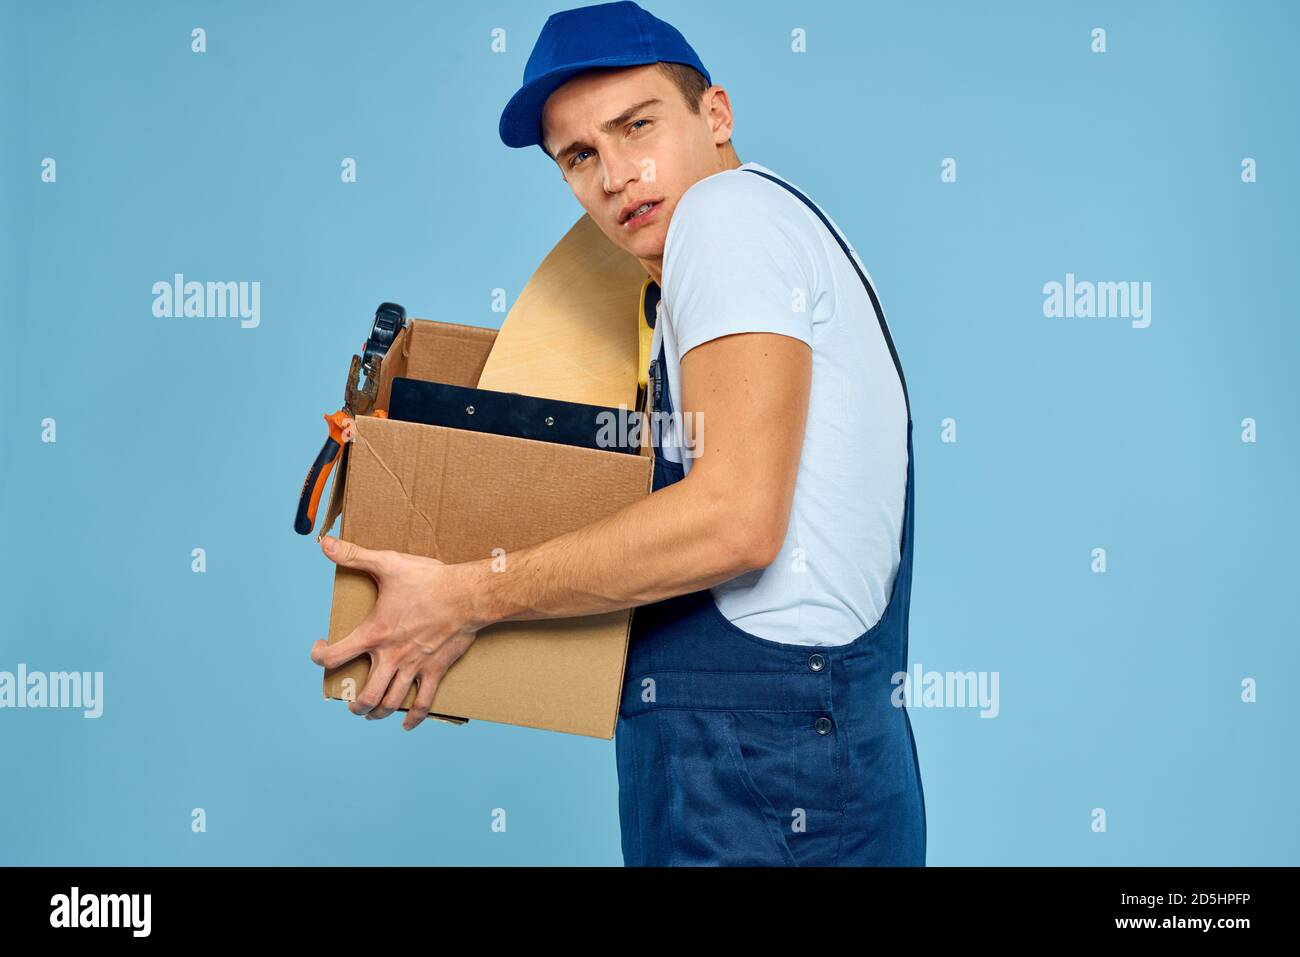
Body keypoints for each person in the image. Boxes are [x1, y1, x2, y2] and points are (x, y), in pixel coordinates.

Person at [310, 0, 925, 866]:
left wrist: (465, 597)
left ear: (716, 113)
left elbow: (734, 522)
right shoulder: (752, 246)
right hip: (791, 760)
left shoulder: (728, 220)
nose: (616, 174)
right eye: (580, 156)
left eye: (637, 126)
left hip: (762, 771)